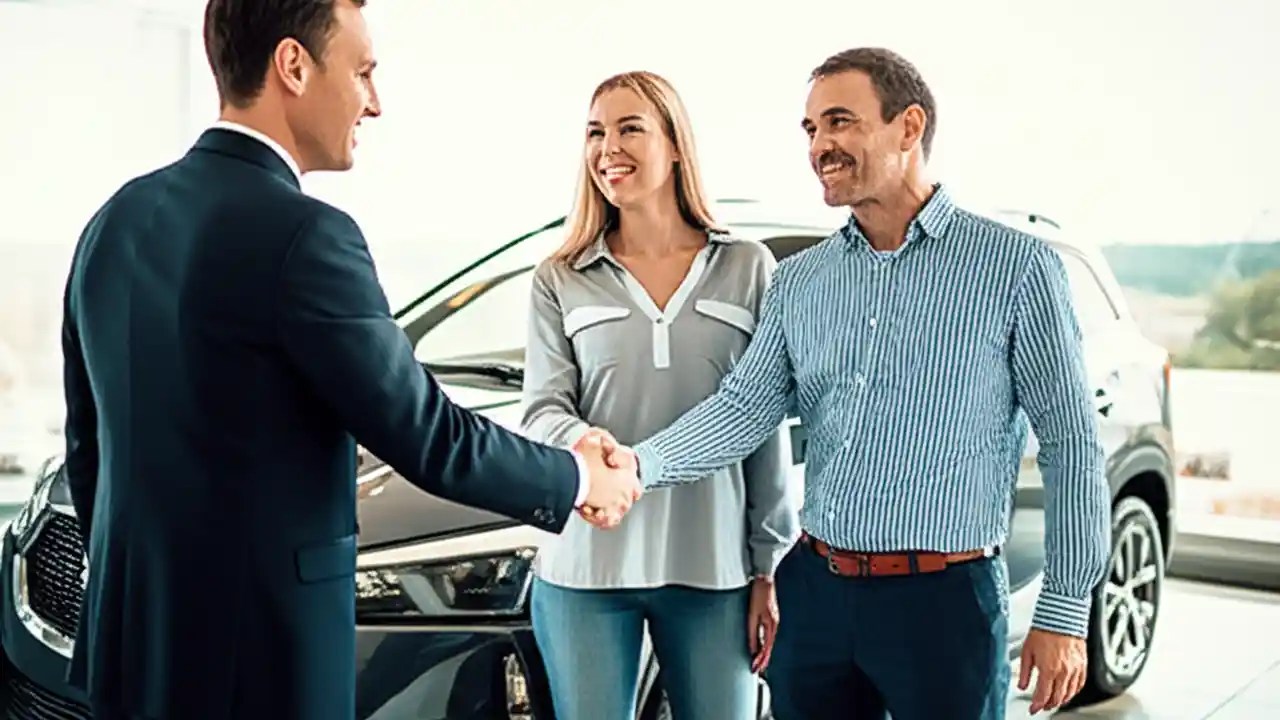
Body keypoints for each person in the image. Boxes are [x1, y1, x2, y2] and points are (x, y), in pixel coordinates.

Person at [58, 2, 639, 719]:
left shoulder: (113, 222)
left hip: (132, 649)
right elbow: (426, 435)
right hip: (260, 663)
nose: (375, 102)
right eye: (363, 71)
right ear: (293, 66)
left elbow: (89, 453)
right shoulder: (307, 236)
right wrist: (578, 474)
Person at [604, 48, 1112, 719]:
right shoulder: (801, 280)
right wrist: (640, 465)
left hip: (945, 602)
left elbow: (1073, 446)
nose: (820, 146)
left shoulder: (1017, 269)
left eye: (840, 122)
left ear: (909, 127)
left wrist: (1065, 611)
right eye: (811, 130)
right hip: (817, 591)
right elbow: (743, 407)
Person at [519, 70, 800, 720]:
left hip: (713, 568)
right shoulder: (560, 277)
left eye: (629, 128)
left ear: (675, 145)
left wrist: (769, 568)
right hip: (584, 570)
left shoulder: (747, 266)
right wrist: (585, 445)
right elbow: (542, 409)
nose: (607, 147)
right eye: (595, 132)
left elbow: (760, 423)